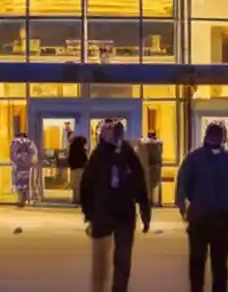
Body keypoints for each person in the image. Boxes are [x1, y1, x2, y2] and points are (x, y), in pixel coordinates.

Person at [81, 120, 152, 292]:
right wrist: (144, 211)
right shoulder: (116, 153)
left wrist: (89, 214)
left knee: (112, 261)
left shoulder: (106, 154)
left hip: (111, 214)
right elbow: (140, 182)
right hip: (115, 214)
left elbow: (86, 186)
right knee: (113, 260)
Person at [176, 122, 228, 292]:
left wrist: (183, 208)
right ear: (223, 137)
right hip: (221, 219)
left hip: (199, 217)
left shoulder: (194, 158)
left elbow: (182, 185)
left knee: (197, 262)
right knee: (220, 264)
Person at [10, 131, 39, 207]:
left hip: (18, 167)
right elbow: (33, 153)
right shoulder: (29, 142)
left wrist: (17, 161)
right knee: (26, 183)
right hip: (26, 166)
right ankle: (25, 199)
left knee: (19, 183)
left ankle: (20, 200)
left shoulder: (15, 142)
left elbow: (13, 154)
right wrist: (28, 160)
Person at [139, 130, 164, 207]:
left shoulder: (148, 143)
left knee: (150, 185)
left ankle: (150, 201)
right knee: (153, 185)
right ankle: (154, 201)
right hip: (154, 166)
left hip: (149, 166)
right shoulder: (158, 143)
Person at [69, 135, 90, 205]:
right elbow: (85, 159)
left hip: (73, 168)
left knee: (74, 185)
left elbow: (69, 159)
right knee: (78, 185)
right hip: (79, 168)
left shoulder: (72, 148)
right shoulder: (81, 149)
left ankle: (74, 199)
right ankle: (78, 199)